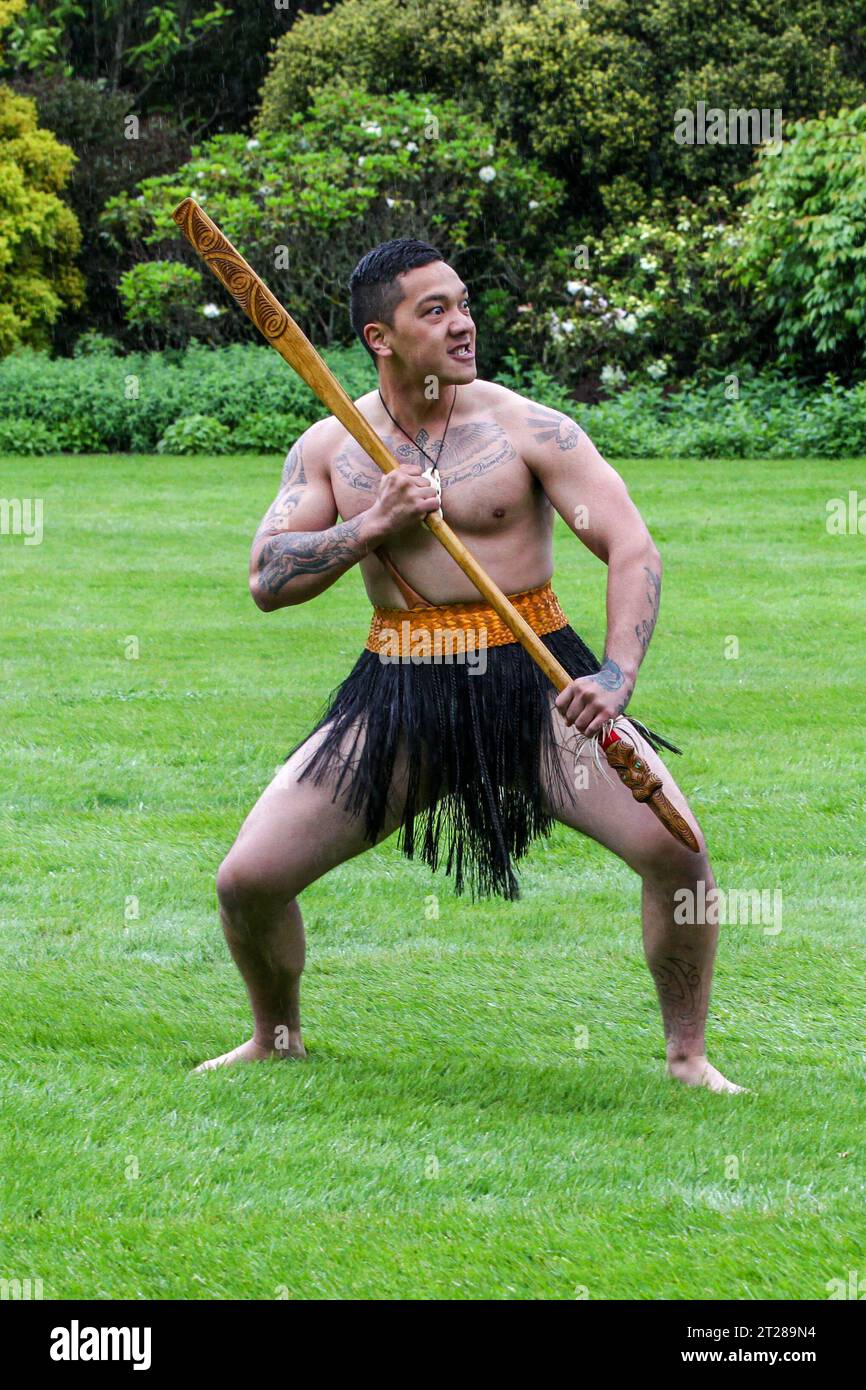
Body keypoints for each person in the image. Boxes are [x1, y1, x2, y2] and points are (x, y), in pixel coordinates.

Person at [196, 238, 741, 1094]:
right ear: (382, 338)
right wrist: (368, 526)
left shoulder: (526, 427)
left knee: (678, 854)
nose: (463, 324)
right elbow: (267, 579)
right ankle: (277, 1038)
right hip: (401, 685)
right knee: (248, 880)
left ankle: (687, 1058)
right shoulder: (330, 448)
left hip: (538, 681)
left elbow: (630, 544)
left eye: (463, 302)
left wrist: (616, 675)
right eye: (435, 310)